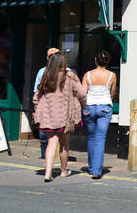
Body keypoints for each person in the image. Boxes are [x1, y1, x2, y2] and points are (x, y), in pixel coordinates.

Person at [33, 51, 87, 181]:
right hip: (65, 116)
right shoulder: (71, 76)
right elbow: (82, 94)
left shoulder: (46, 76)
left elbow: (36, 97)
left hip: (49, 116)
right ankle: (63, 170)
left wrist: (37, 109)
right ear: (63, 63)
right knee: (64, 144)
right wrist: (83, 106)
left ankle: (48, 173)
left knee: (51, 143)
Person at [82, 50, 118, 178]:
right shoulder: (112, 76)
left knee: (91, 138)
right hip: (105, 108)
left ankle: (91, 168)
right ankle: (97, 171)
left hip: (89, 108)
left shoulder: (87, 75)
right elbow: (113, 93)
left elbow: (83, 93)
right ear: (107, 61)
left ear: (95, 60)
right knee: (100, 139)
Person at [32, 47, 62, 159]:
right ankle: (44, 157)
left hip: (59, 108)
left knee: (60, 137)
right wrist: (36, 109)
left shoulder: (67, 72)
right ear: (47, 58)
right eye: (50, 56)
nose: (52, 59)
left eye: (55, 56)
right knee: (44, 136)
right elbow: (37, 91)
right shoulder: (42, 71)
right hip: (45, 107)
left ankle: (59, 159)